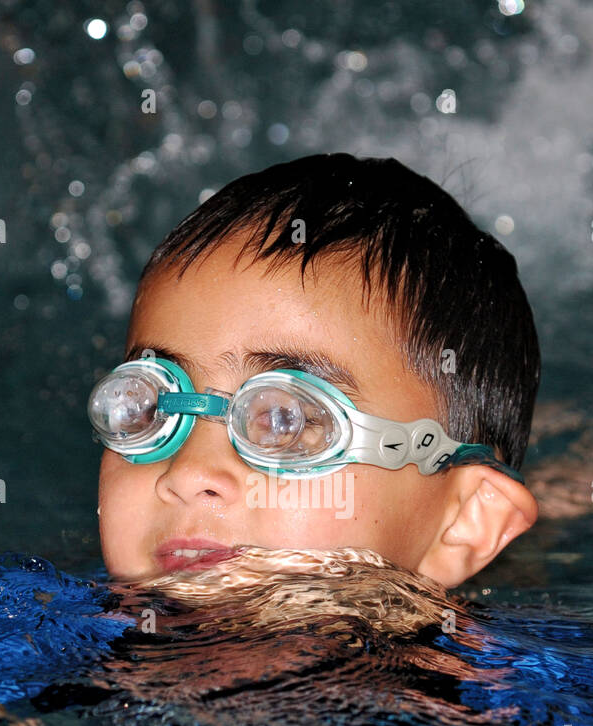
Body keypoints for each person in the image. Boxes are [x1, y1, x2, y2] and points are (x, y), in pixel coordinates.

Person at [93, 152, 540, 588]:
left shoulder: (519, 663)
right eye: (151, 407)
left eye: (283, 419)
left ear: (461, 522)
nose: (187, 475)